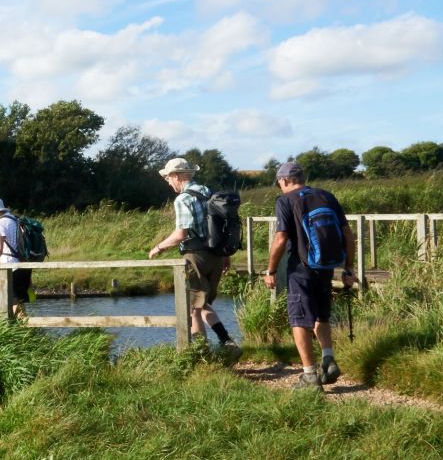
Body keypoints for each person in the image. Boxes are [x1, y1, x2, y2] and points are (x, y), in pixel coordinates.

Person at [263, 161, 357, 391]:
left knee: (299, 319)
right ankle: (328, 360)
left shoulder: (285, 201)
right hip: (326, 266)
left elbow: (280, 239)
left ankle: (309, 376)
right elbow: (348, 234)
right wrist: (348, 268)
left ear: (284, 180)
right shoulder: (326, 196)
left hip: (300, 269)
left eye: (279, 183)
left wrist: (271, 270)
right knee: (320, 315)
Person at [147, 158, 242, 361]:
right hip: (217, 255)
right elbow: (221, 226)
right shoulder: (209, 193)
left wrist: (159, 247)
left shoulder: (183, 199)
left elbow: (181, 234)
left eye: (168, 178)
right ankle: (226, 341)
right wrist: (225, 255)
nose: (168, 182)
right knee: (203, 304)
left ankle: (201, 355)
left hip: (196, 256)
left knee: (192, 309)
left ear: (177, 176)